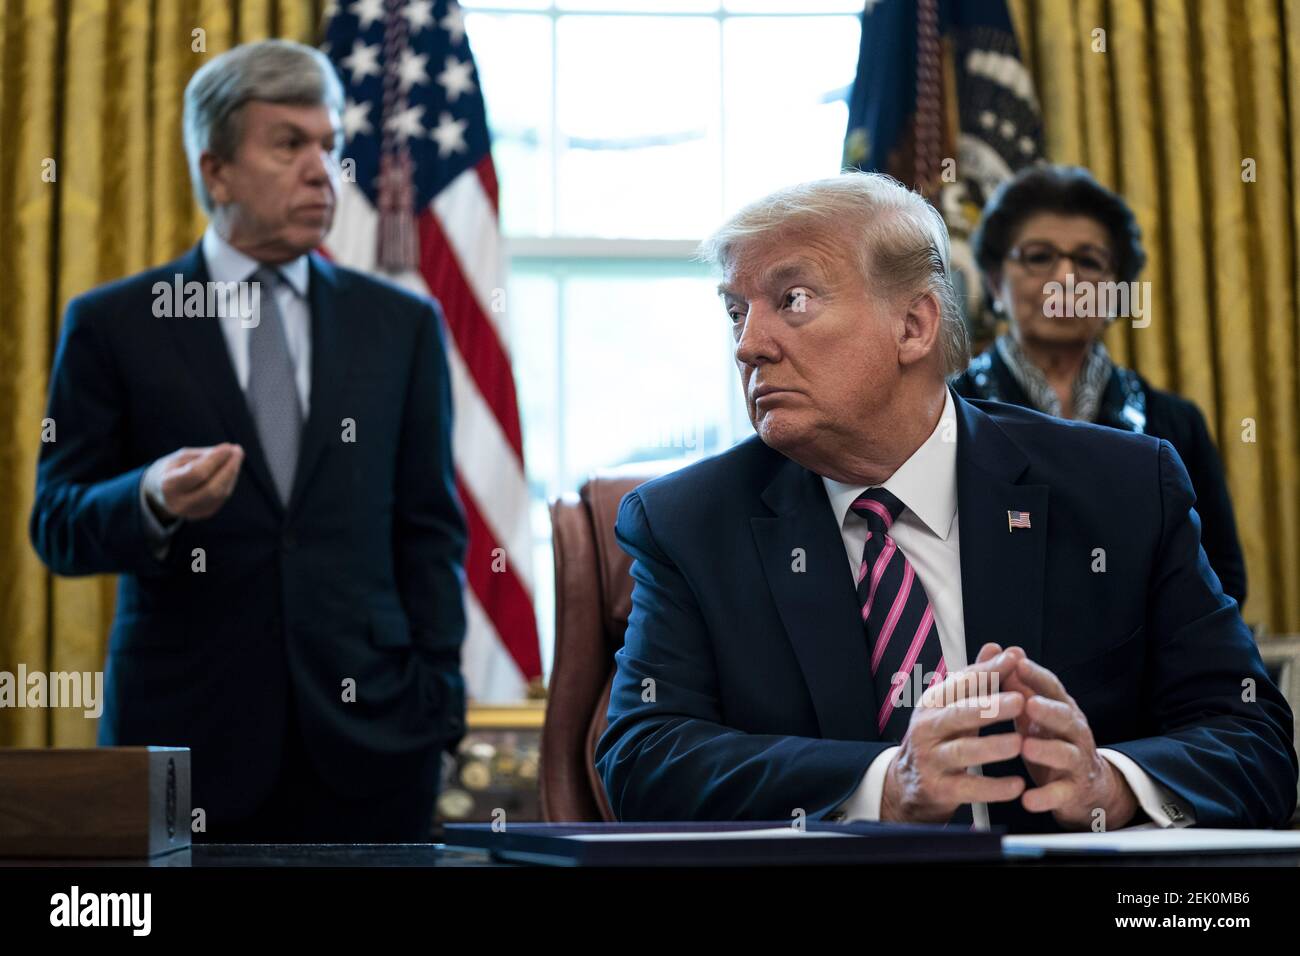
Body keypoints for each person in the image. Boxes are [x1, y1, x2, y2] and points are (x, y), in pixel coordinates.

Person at [595, 172, 1296, 832]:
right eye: (735, 310)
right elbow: (642, 758)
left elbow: (1252, 738)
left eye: (793, 302)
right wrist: (884, 786)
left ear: (914, 326)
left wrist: (1110, 784)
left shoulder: (1123, 490)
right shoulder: (688, 524)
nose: (749, 345)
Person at [29, 39, 467, 842]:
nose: (320, 171)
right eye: (289, 144)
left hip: (374, 741)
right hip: (184, 744)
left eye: (329, 146)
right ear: (217, 169)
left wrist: (436, 706)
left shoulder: (401, 326)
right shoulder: (113, 324)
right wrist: (151, 497)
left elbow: (429, 529)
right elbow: (56, 523)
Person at [951, 163, 1247, 606]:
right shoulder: (947, 411)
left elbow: (1221, 583)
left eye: (1089, 261)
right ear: (995, 283)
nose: (1066, 279)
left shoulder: (1175, 423)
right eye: (1038, 256)